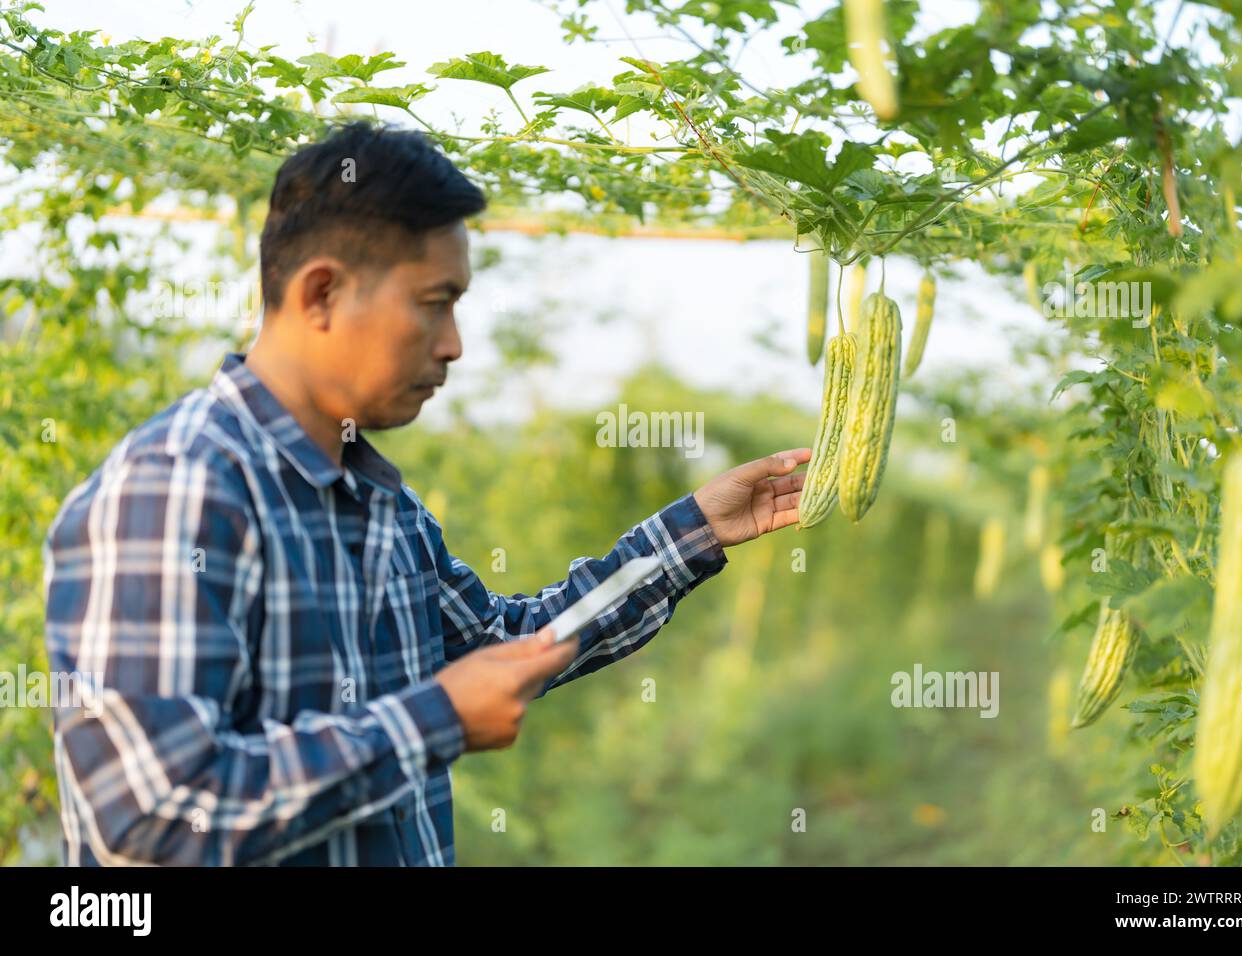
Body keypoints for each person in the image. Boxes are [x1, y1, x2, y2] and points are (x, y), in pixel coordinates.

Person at [42, 121, 812, 866]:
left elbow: (509, 648)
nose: (453, 344)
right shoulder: (177, 492)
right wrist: (433, 719)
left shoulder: (380, 505)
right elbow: (149, 817)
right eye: (434, 302)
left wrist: (694, 532)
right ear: (321, 295)